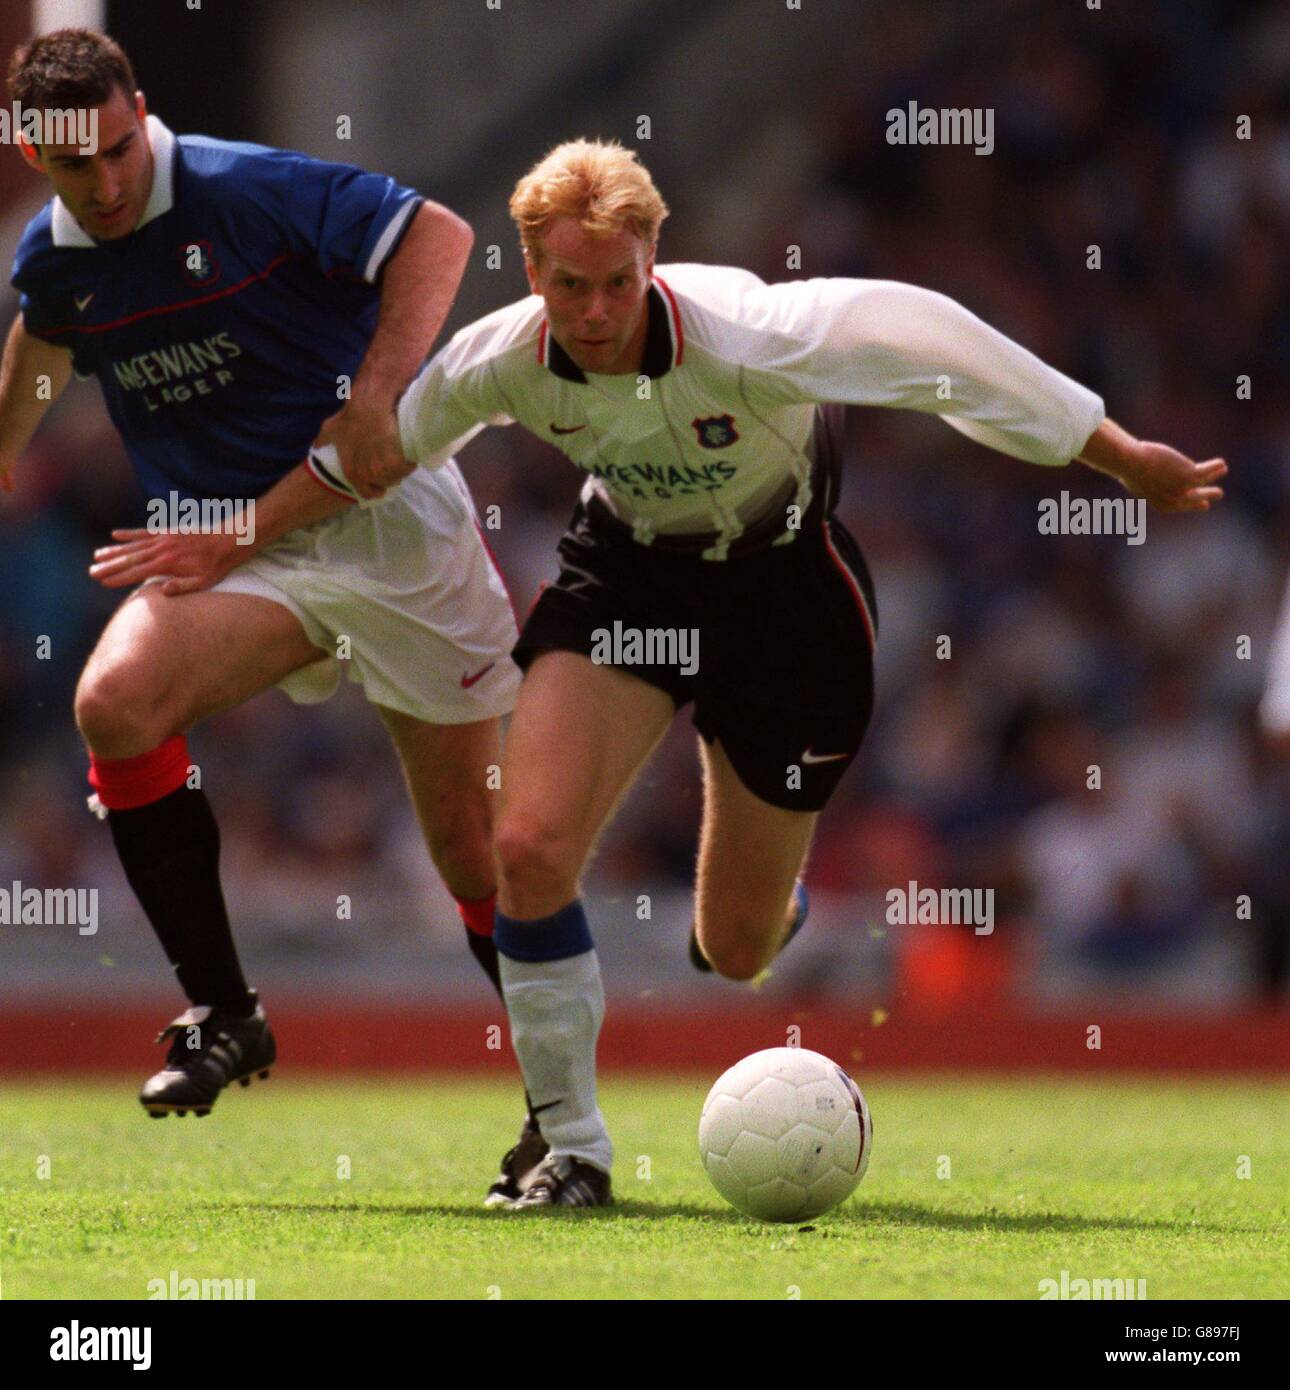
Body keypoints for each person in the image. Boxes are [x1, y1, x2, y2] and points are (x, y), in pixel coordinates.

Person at [128, 137, 1229, 1209]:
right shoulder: (500, 355)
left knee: (734, 946)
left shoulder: (753, 331)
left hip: (788, 598)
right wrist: (232, 538)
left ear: (653, 256)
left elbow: (936, 346)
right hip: (628, 579)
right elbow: (369, 455)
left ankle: (761, 904)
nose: (595, 314)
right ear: (532, 270)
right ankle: (573, 1149)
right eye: (570, 285)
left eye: (616, 283)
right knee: (526, 847)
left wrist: (1120, 453)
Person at [0, 28, 541, 1206]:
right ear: (35, 157)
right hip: (227, 549)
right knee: (114, 701)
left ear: (142, 112)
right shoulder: (56, 254)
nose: (102, 184)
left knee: (472, 850)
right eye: (69, 167)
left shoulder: (247, 185)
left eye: (116, 151)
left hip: (391, 535)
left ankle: (560, 1110)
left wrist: (384, 388)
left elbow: (436, 235)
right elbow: (40, 345)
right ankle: (225, 1013)